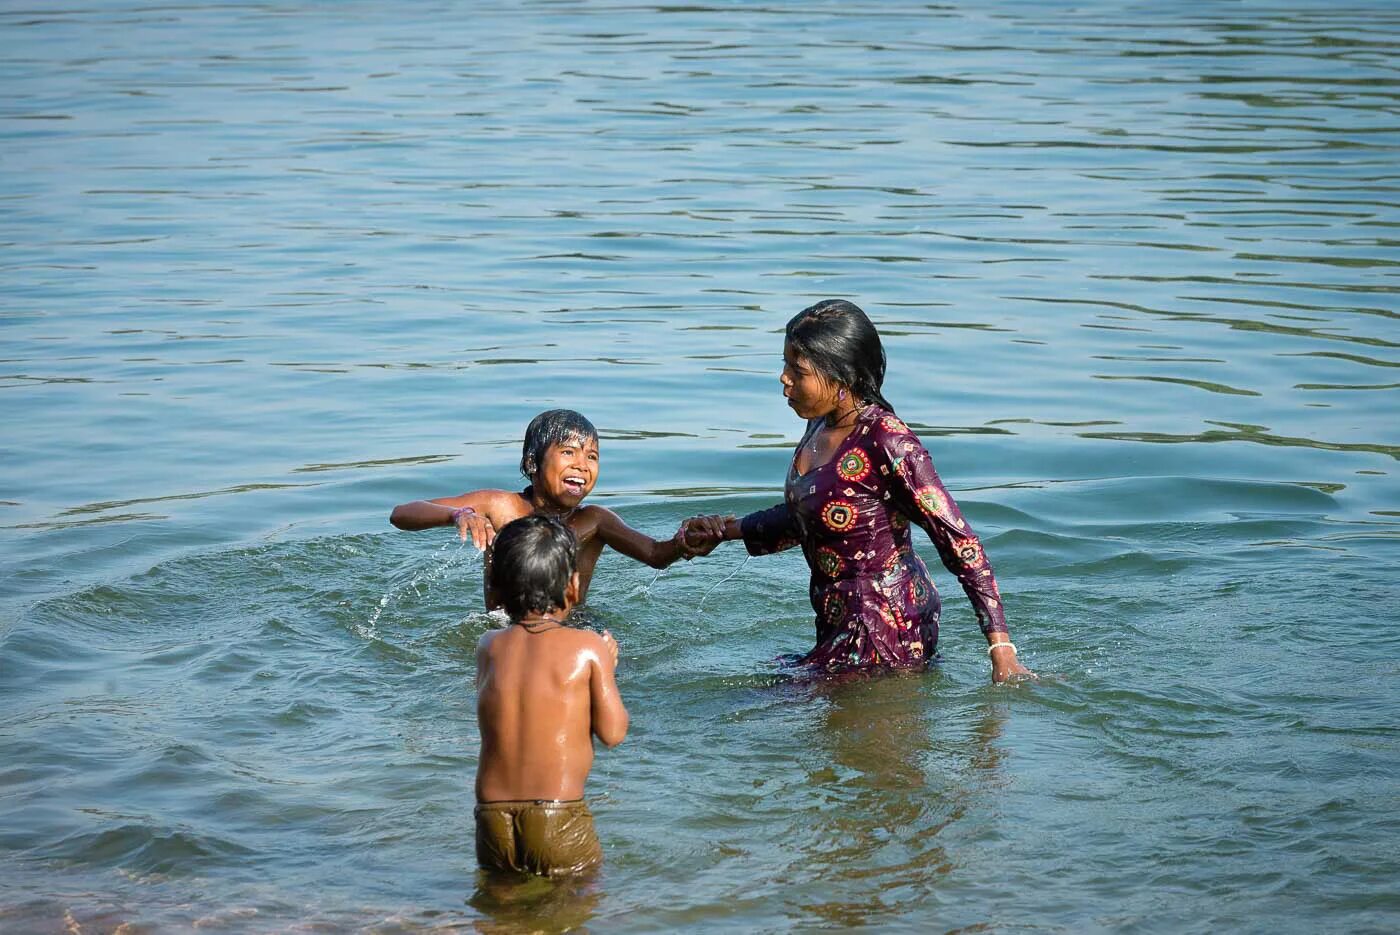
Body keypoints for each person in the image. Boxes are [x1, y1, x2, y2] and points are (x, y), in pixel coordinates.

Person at [682, 299, 1033, 682]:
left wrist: (1001, 652)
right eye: (784, 364)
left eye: (797, 370)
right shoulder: (818, 425)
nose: (783, 378)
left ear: (841, 381)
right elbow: (813, 515)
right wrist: (725, 531)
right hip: (836, 622)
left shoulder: (889, 442)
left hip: (884, 631)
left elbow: (960, 542)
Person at [390, 408, 703, 609]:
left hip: (575, 630)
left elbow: (655, 555)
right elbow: (402, 514)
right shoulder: (500, 507)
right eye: (569, 452)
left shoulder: (595, 520)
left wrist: (684, 541)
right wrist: (457, 513)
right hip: (505, 629)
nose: (582, 465)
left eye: (592, 457)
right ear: (532, 463)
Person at [473, 514, 628, 877]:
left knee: (500, 906)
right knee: (579, 902)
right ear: (573, 587)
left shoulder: (488, 646)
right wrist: (607, 668)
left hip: (491, 817)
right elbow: (613, 733)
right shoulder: (588, 647)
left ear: (497, 587)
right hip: (558, 813)